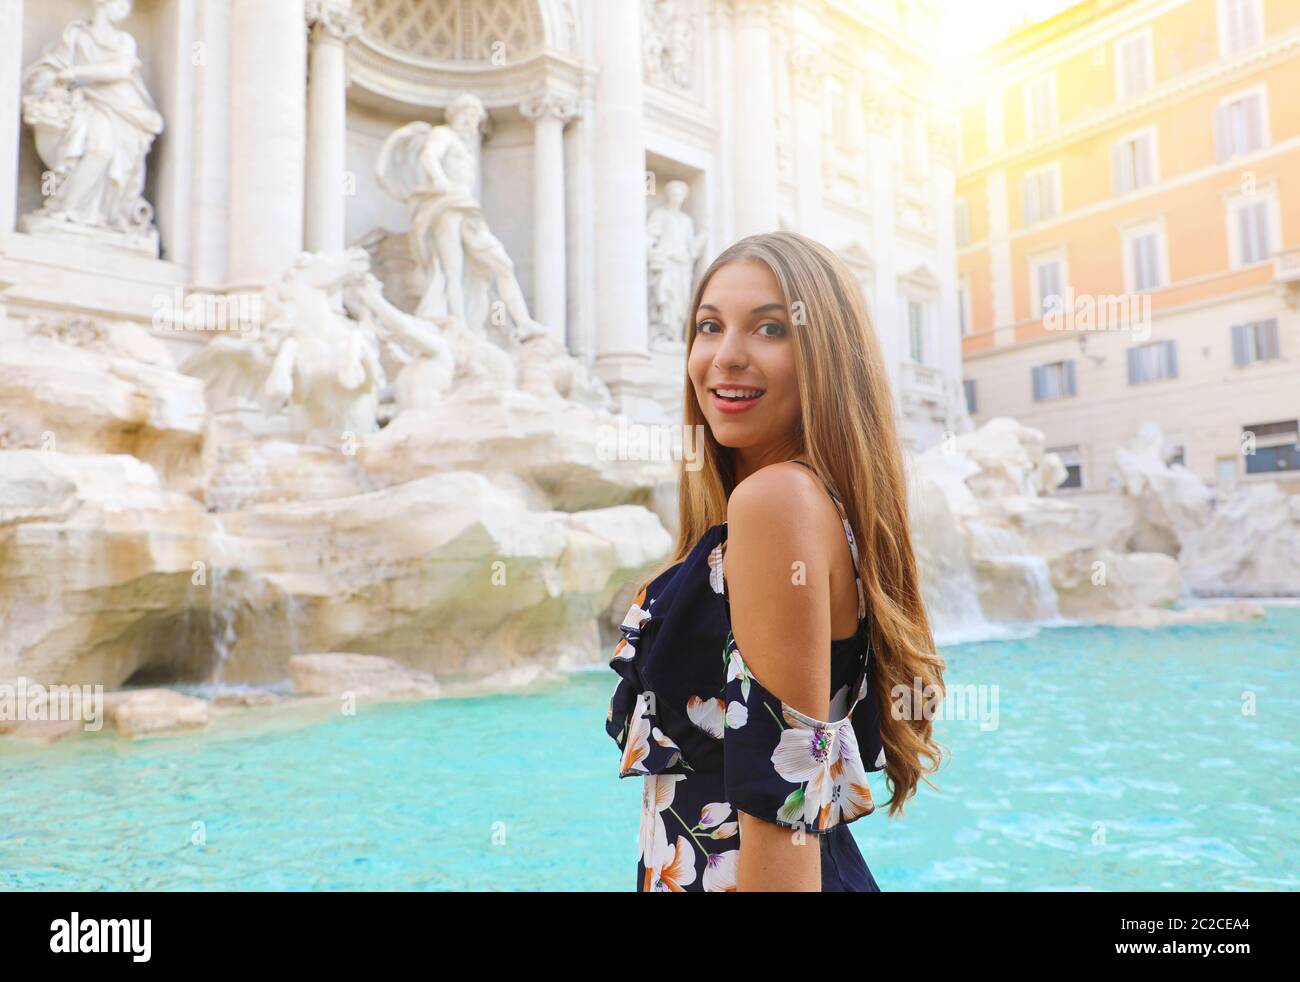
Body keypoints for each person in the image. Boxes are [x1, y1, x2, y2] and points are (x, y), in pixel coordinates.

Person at [605, 230, 947, 892]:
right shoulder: (814, 502)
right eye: (709, 327)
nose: (725, 357)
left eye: (769, 328)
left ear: (826, 355)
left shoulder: (776, 501)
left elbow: (782, 802)